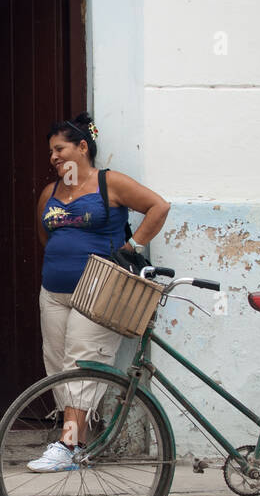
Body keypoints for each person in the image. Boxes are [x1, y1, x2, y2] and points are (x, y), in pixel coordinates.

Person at [30, 112, 171, 472]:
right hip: (54, 291)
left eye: (59, 149)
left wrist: (132, 246)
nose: (54, 157)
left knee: (82, 359)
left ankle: (66, 444)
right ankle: (78, 442)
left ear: (82, 147)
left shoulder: (109, 183)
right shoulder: (51, 192)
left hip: (99, 288)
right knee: (58, 364)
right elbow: (46, 236)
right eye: (50, 152)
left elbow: (159, 206)